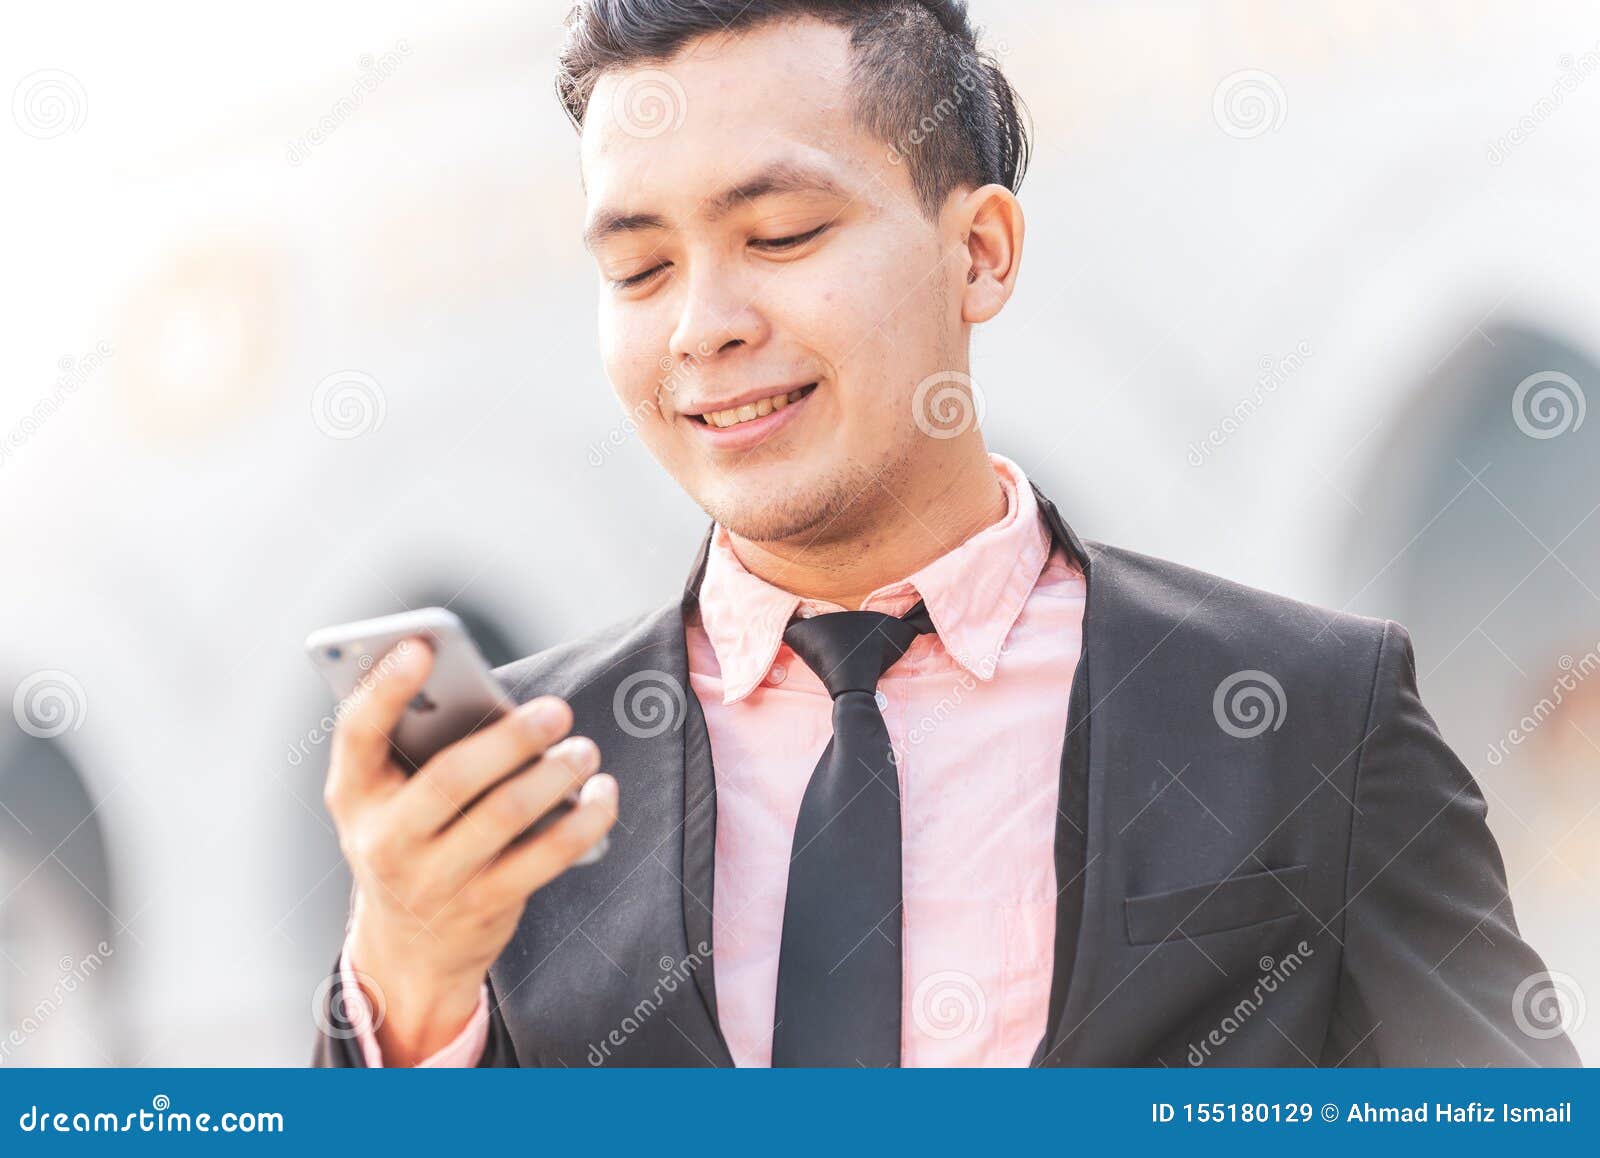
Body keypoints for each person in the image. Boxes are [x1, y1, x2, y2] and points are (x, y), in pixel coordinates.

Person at [312, 0, 1579, 1067]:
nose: (702, 325)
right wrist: (407, 988)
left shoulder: (1308, 714)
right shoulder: (516, 794)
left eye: (782, 236)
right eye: (639, 270)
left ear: (977, 252)